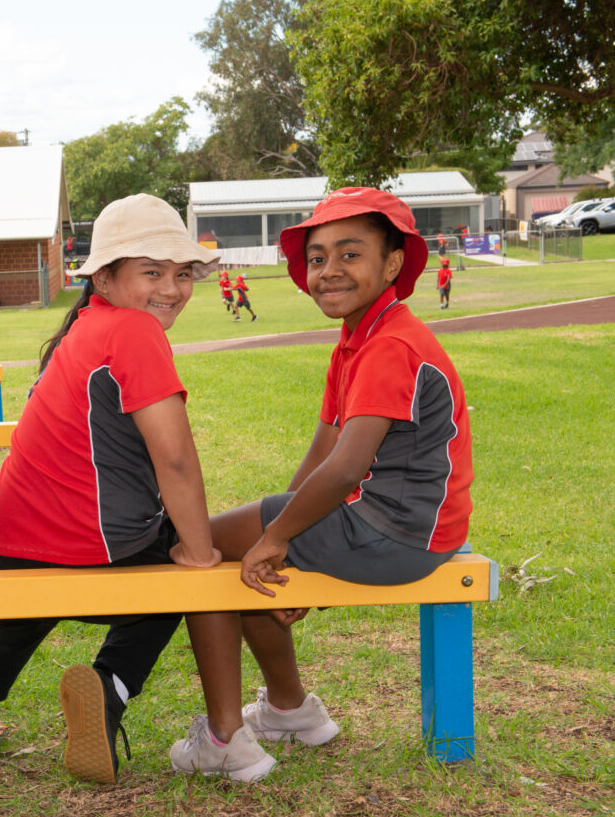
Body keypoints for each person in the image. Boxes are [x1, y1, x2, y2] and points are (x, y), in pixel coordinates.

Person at [167, 187, 474, 782]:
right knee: (244, 552)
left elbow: (345, 470)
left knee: (198, 551)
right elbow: (321, 452)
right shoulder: (358, 339)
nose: (329, 270)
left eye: (350, 254)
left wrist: (279, 535)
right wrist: (286, 537)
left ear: (392, 264)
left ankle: (225, 739)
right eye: (316, 257)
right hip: (399, 526)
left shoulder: (390, 345)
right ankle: (289, 712)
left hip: (396, 534)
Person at [0, 194, 223, 784]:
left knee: (9, 621)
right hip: (95, 545)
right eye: (152, 272)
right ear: (104, 278)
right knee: (174, 582)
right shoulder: (133, 332)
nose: (173, 288)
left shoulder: (83, 330)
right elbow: (177, 459)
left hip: (10, 539)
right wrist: (199, 550)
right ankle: (107, 692)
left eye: (182, 274)